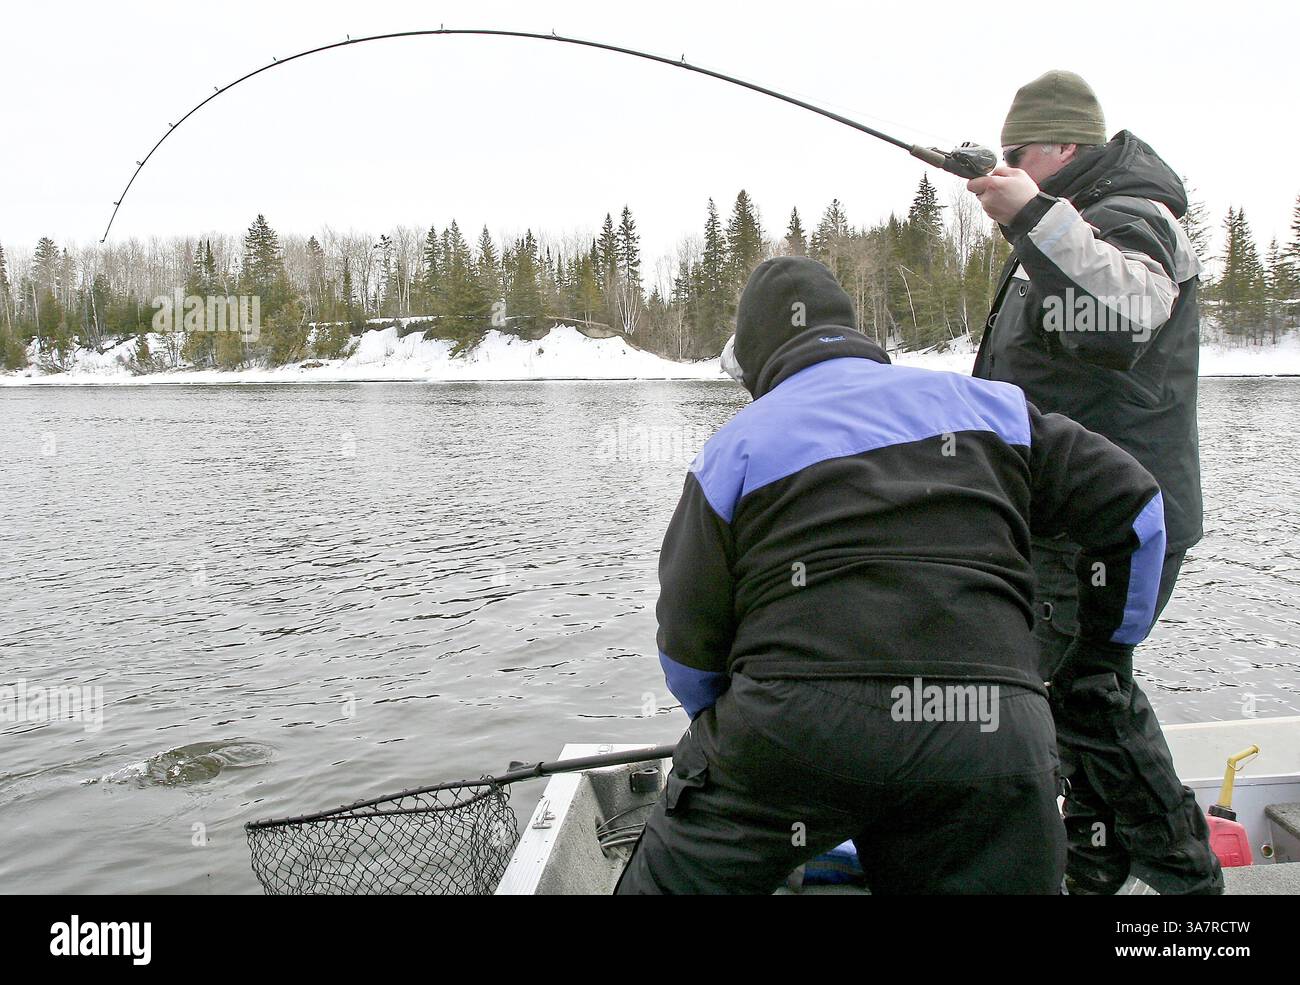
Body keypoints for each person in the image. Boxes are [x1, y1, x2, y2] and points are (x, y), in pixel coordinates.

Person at [615, 255, 1169, 894]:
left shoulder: (735, 445)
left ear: (758, 355)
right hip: (992, 728)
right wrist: (1101, 652)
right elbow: (1137, 507)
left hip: (795, 725)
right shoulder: (997, 409)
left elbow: (687, 636)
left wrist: (728, 731)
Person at [966, 70, 1221, 894]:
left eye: (1018, 153)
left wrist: (1033, 215)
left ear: (1064, 147)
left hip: (1118, 523)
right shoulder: (1073, 226)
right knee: (1065, 692)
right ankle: (1095, 860)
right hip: (1068, 520)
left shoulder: (1136, 217)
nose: (1005, 166)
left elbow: (1126, 314)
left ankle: (1189, 887)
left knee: (1086, 694)